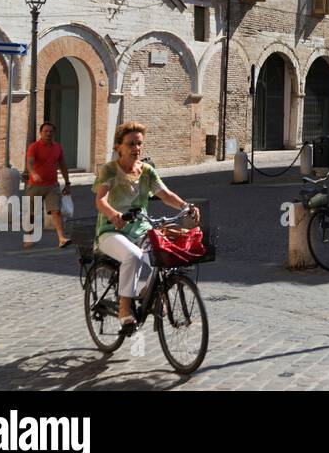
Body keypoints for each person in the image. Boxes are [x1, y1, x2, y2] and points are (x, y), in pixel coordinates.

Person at [94, 122, 199, 328]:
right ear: (118, 147)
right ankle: (125, 308)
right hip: (111, 230)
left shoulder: (147, 171)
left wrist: (186, 206)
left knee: (166, 251)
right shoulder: (109, 170)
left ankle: (149, 293)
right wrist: (114, 214)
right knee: (133, 256)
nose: (136, 148)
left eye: (139, 143)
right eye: (131, 144)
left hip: (141, 228)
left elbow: (165, 195)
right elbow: (100, 200)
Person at [23, 121, 71, 249]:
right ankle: (28, 237)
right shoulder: (34, 147)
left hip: (52, 186)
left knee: (56, 211)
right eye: (46, 131)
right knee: (32, 214)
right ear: (40, 133)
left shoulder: (58, 148)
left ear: (54, 133)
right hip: (35, 186)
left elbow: (63, 165)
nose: (48, 133)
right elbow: (29, 163)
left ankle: (61, 238)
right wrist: (33, 173)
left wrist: (67, 183)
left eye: (51, 131)